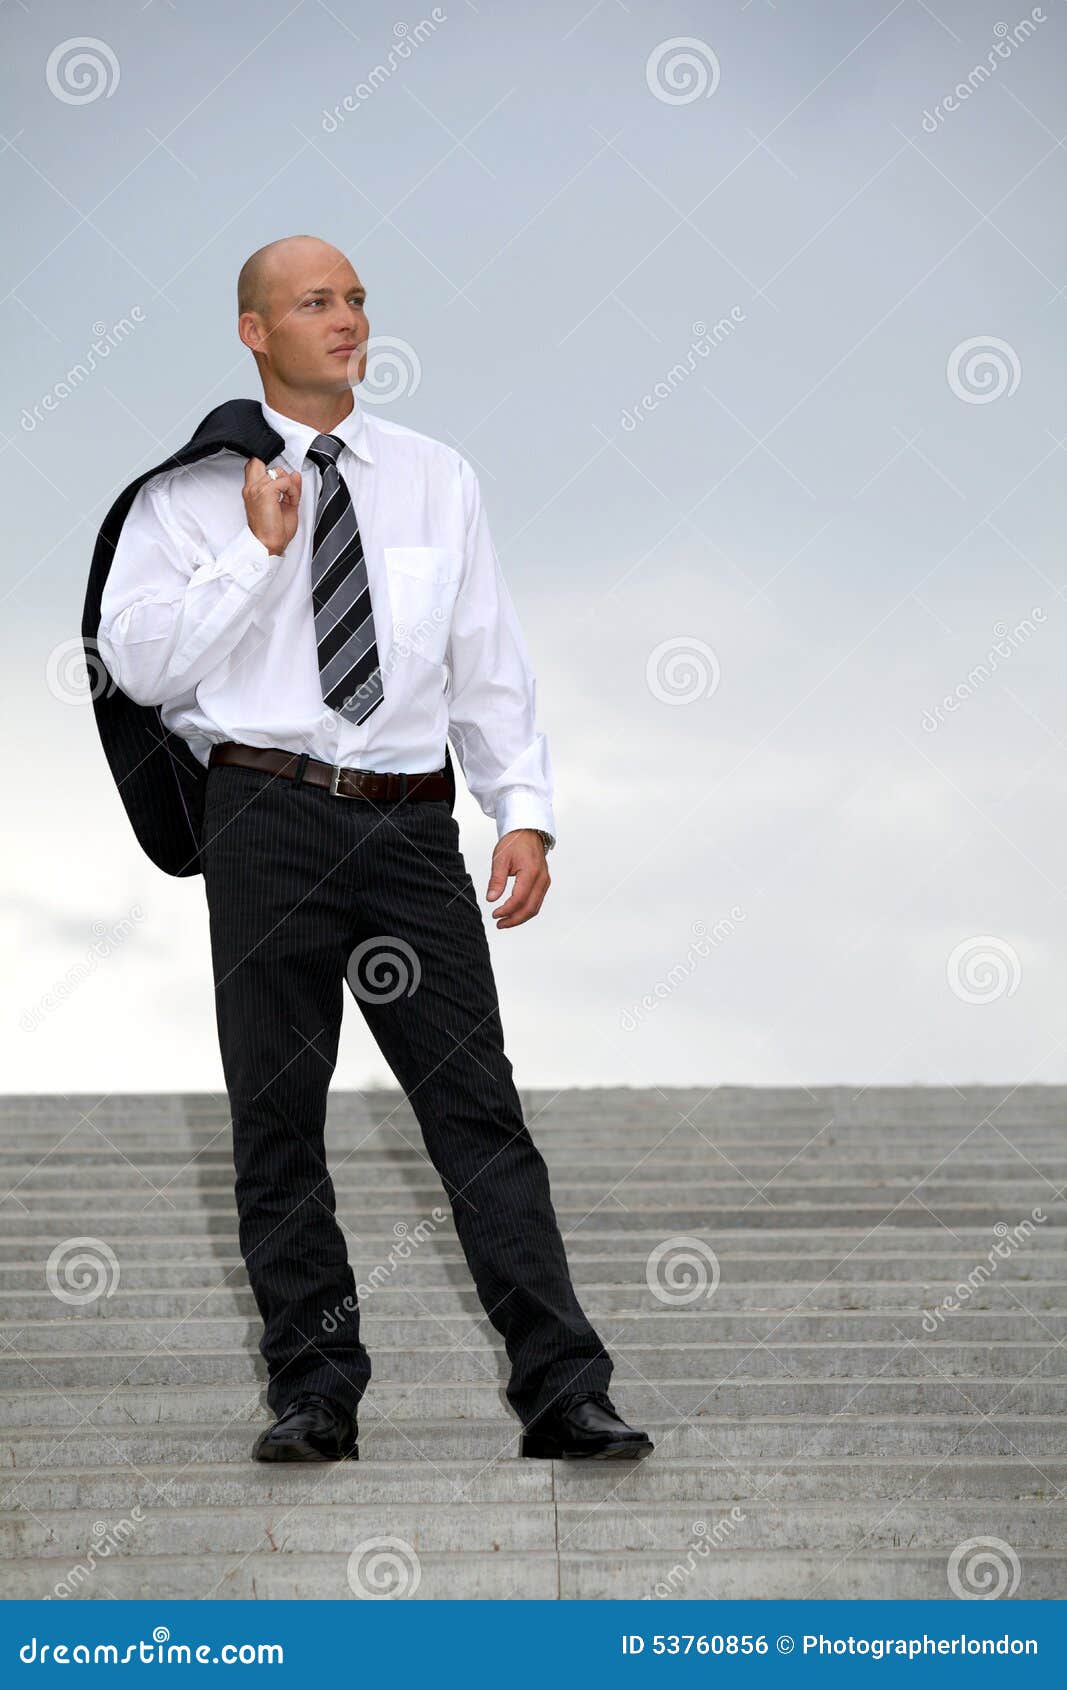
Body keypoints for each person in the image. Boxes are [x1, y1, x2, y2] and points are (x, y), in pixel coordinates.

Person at [93, 234, 653, 1465]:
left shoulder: (434, 475)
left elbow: (485, 658)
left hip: (409, 824)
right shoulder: (185, 496)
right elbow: (137, 665)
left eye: (353, 299)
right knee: (276, 1120)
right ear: (253, 329)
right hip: (265, 818)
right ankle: (315, 1390)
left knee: (477, 1111)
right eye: (313, 302)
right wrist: (256, 552)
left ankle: (564, 1389)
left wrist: (524, 810)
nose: (345, 318)